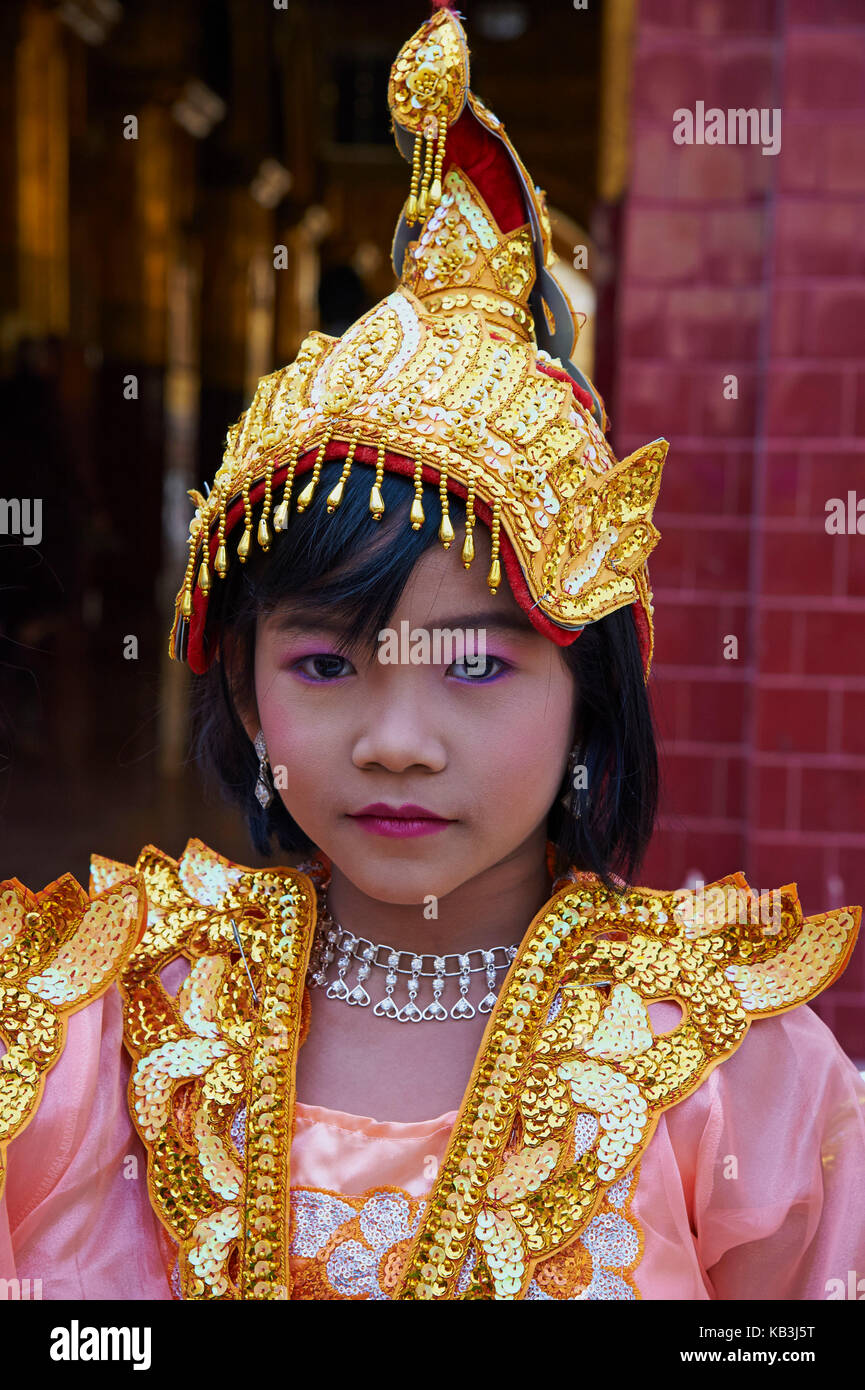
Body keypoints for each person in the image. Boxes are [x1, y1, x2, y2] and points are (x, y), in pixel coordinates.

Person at [1, 4, 863, 1303]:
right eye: (325, 665)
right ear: (238, 677)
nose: (395, 736)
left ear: (589, 690)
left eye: (473, 664)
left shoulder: (735, 1073)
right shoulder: (105, 1021)